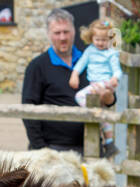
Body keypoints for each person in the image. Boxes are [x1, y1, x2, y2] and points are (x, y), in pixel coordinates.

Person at [21, 9, 115, 153]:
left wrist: (108, 97)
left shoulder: (92, 60)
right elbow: (28, 110)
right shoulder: (37, 66)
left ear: (74, 31)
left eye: (66, 31)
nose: (62, 37)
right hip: (54, 149)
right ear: (48, 34)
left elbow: (112, 100)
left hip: (91, 146)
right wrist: (41, 150)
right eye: (57, 33)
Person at [70, 19, 121, 155]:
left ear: (110, 39)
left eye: (104, 40)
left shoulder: (111, 53)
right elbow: (81, 64)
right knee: (101, 112)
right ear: (91, 37)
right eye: (97, 39)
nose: (100, 43)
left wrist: (115, 78)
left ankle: (92, 116)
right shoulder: (90, 51)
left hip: (105, 83)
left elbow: (117, 69)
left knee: (79, 96)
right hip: (94, 84)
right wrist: (74, 75)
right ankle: (110, 143)